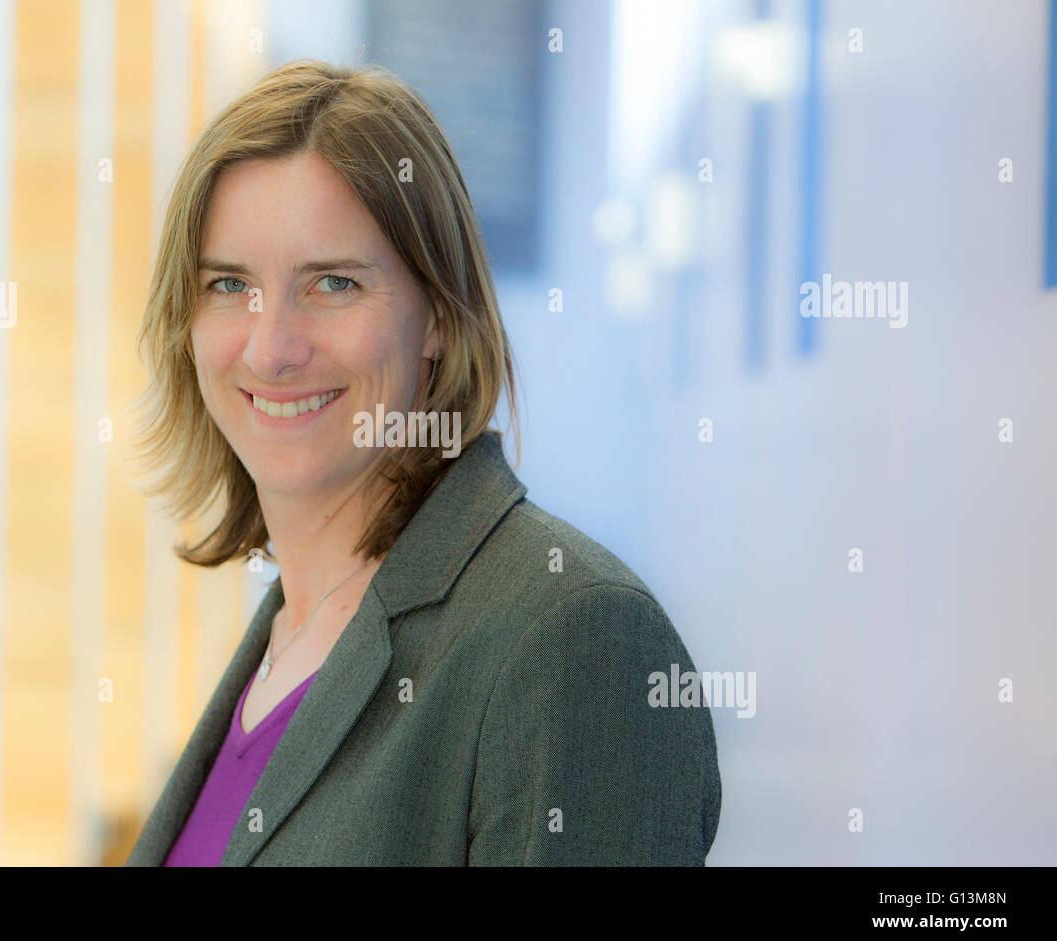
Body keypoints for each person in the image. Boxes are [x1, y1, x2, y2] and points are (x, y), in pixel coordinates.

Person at [126, 59, 720, 865]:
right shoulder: (284, 637)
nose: (271, 348)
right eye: (230, 285)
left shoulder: (572, 641)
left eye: (332, 283)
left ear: (438, 316)